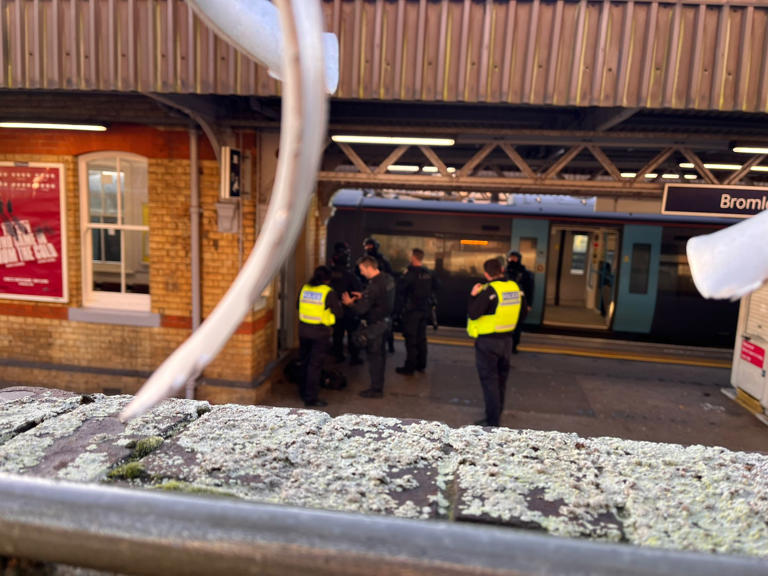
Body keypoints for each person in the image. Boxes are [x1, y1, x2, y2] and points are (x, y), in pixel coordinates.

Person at [467, 258, 522, 427]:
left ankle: (492, 422)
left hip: (488, 343)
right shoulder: (515, 288)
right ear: (502, 269)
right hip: (507, 341)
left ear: (486, 274)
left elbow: (474, 313)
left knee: (489, 381)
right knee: (501, 380)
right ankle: (497, 413)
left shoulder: (489, 290)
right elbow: (523, 312)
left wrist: (472, 295)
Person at [342, 255, 395, 398]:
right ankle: (378, 385)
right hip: (385, 323)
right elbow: (380, 297)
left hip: (375, 326)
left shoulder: (374, 287)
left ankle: (376, 389)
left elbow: (361, 310)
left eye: (361, 269)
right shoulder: (387, 279)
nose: (361, 272)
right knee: (381, 357)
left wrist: (350, 303)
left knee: (375, 358)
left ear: (369, 267)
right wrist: (364, 295)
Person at [297, 266, 343, 407]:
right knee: (315, 366)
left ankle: (302, 391)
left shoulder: (305, 289)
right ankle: (311, 398)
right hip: (320, 333)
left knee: (304, 362)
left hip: (303, 331)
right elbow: (339, 313)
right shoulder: (328, 292)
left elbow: (297, 306)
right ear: (327, 279)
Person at [395, 248, 439, 375]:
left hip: (412, 311)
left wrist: (403, 275)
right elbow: (437, 286)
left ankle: (409, 367)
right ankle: (421, 364)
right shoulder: (429, 273)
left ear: (413, 257)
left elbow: (400, 288)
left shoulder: (410, 273)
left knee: (411, 339)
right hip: (425, 310)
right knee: (422, 338)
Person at [329, 242, 363, 365]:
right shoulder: (351, 276)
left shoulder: (329, 274)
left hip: (335, 309)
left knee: (337, 334)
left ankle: (338, 355)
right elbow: (358, 291)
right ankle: (354, 357)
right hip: (348, 309)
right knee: (352, 334)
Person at [362, 237, 396, 354]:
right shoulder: (383, 260)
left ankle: (379, 345)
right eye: (367, 246)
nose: (368, 248)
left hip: (374, 293)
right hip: (380, 294)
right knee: (383, 320)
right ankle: (388, 345)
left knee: (374, 320)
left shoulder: (366, 261)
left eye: (369, 246)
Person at [506, 251, 534, 354]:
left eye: (514, 258)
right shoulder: (505, 271)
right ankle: (507, 345)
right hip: (506, 302)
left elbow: (529, 289)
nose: (512, 260)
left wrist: (529, 304)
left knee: (517, 325)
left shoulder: (524, 272)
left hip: (519, 302)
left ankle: (514, 345)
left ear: (519, 259)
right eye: (510, 258)